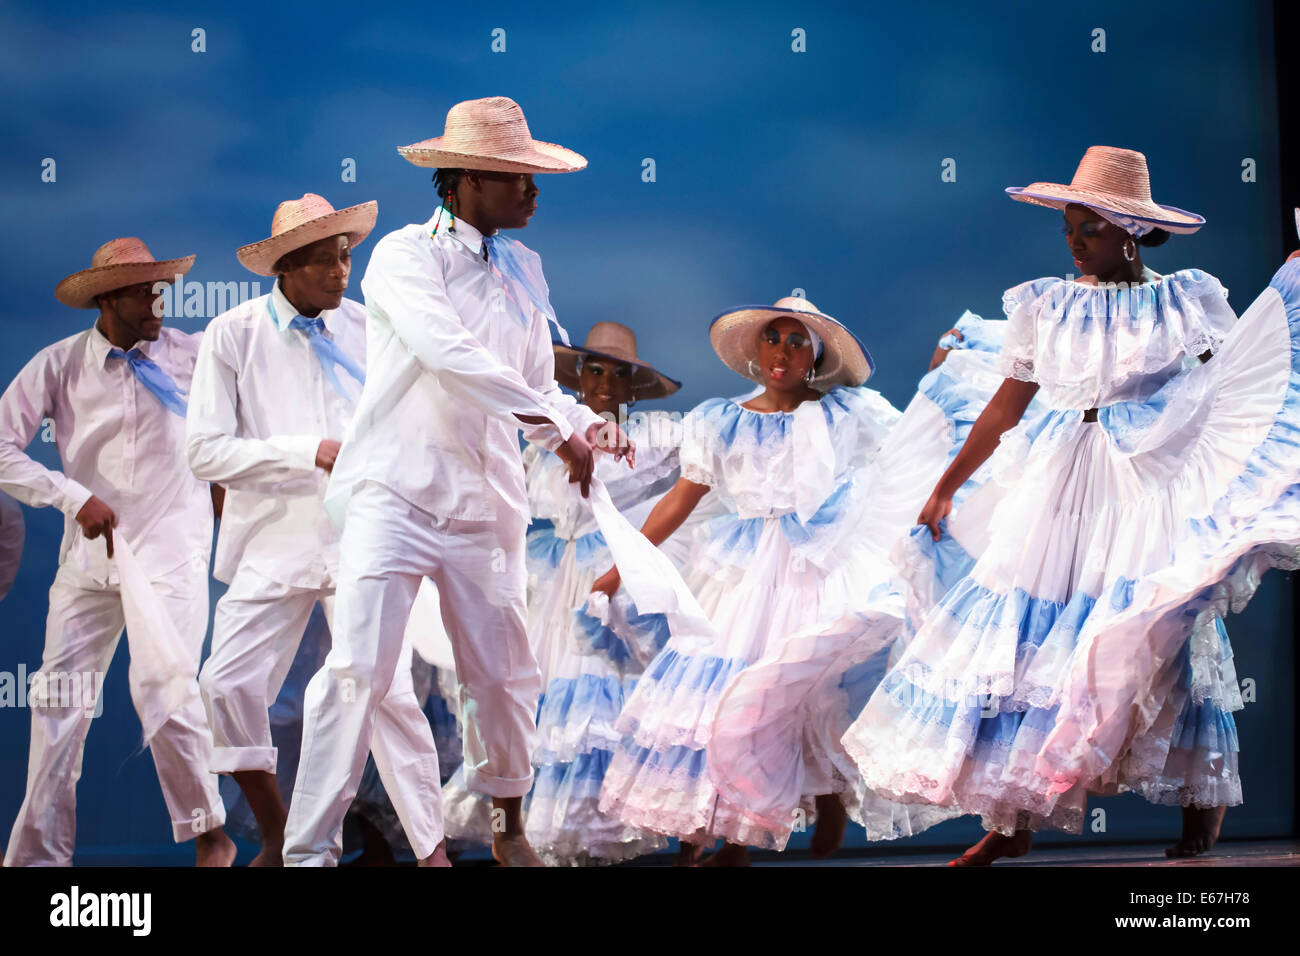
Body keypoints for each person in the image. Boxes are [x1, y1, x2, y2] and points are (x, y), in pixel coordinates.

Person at [843, 146, 1298, 864]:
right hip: (1063, 478)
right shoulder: (1046, 304)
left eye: (1087, 227)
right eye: (1068, 226)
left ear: (1129, 230)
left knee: (1158, 622)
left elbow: (1233, 379)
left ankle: (1198, 812)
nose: (1073, 239)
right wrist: (947, 482)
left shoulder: (1185, 298)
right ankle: (1012, 819)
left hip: (1146, 475)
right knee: (1030, 637)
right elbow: (1003, 408)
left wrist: (1287, 299)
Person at [282, 96, 631, 867]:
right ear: (467, 178)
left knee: (504, 674)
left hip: (486, 500)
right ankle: (308, 855)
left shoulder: (525, 268)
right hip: (395, 492)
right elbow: (451, 355)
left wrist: (584, 421)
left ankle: (508, 829)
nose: (534, 191)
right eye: (518, 177)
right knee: (357, 671)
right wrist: (556, 424)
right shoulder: (404, 255)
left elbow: (537, 378)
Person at [593, 296, 907, 865]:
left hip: (817, 565)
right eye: (773, 338)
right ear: (756, 350)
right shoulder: (721, 419)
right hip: (743, 570)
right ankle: (721, 836)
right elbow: (681, 499)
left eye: (796, 341)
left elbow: (906, 461)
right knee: (723, 696)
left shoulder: (848, 414)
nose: (781, 351)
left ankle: (827, 795)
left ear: (815, 355)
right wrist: (619, 570)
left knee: (806, 687)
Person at [188, 193, 448, 866]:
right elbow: (205, 452)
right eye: (326, 261)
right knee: (225, 684)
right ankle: (278, 828)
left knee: (387, 695)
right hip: (273, 539)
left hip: (361, 538)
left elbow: (412, 419)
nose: (341, 272)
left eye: (346, 256)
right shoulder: (233, 334)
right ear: (287, 266)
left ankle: (431, 851)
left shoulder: (370, 327)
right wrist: (307, 450)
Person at [0, 238, 233, 866]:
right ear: (107, 299)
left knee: (168, 688)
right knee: (55, 702)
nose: (157, 301)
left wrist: (224, 490)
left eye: (160, 288)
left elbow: (229, 434)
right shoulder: (59, 364)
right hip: (91, 562)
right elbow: (1, 447)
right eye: (142, 291)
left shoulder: (193, 355)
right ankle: (35, 861)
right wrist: (72, 496)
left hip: (171, 554)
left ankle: (212, 832)